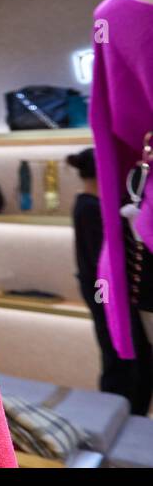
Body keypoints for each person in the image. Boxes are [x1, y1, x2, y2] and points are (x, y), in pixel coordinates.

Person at [68, 147, 152, 413]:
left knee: (126, 357)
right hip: (104, 293)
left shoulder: (87, 204)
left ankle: (124, 417)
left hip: (101, 291)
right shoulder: (91, 208)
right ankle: (120, 418)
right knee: (122, 358)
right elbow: (100, 262)